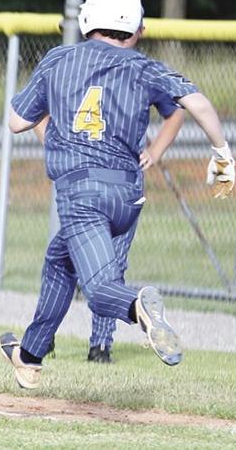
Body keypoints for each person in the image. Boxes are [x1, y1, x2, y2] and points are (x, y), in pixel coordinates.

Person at [0, 0, 235, 389]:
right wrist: (223, 155)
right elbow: (197, 104)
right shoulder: (144, 67)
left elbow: (18, 121)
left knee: (100, 289)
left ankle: (137, 306)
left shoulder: (59, 59)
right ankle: (30, 355)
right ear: (137, 27)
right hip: (128, 195)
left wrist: (57, 135)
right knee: (59, 263)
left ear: (87, 18)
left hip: (81, 194)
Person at [35, 107, 186, 365]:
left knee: (108, 265)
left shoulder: (136, 72)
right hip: (86, 188)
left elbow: (178, 109)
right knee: (64, 261)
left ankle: (99, 346)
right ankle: (48, 337)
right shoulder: (74, 72)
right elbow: (34, 111)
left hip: (122, 189)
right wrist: (58, 148)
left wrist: (155, 151)